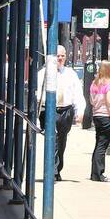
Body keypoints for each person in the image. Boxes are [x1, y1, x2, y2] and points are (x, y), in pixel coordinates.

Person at [35, 45, 86, 182]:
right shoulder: (42, 74)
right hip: (49, 110)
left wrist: (79, 111)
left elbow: (78, 94)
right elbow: (37, 94)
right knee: (52, 139)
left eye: (62, 55)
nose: (60, 58)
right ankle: (52, 170)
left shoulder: (71, 74)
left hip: (65, 111)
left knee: (61, 141)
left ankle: (57, 168)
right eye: (57, 56)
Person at [88, 61, 110, 182]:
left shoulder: (94, 84)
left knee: (98, 144)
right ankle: (99, 174)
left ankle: (94, 173)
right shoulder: (109, 85)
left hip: (96, 116)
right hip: (106, 117)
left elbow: (91, 101)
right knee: (102, 146)